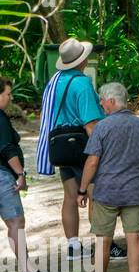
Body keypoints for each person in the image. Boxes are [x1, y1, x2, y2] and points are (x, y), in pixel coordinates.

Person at [78, 82, 139, 272]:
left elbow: (92, 162)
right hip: (133, 191)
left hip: (106, 192)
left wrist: (82, 189)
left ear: (111, 101)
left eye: (102, 100)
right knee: (134, 240)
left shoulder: (102, 127)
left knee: (102, 242)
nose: (101, 104)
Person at [36, 38, 105, 256]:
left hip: (61, 147)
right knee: (96, 194)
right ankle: (104, 243)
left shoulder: (56, 80)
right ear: (83, 60)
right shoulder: (82, 83)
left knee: (70, 196)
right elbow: (91, 124)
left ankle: (73, 246)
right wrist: (102, 151)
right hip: (81, 147)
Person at [0, 77, 57, 272]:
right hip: (3, 177)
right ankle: (27, 269)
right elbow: (6, 148)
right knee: (16, 221)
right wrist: (20, 174)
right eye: (7, 94)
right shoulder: (0, 118)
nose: (11, 97)